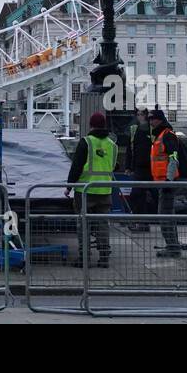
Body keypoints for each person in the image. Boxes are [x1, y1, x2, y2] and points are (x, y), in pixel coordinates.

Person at [66, 111, 117, 267]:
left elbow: (76, 166)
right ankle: (104, 258)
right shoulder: (112, 145)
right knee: (102, 225)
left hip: (85, 190)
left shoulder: (86, 142)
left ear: (90, 125)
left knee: (84, 225)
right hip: (105, 191)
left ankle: (84, 258)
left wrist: (69, 186)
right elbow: (114, 166)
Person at [149, 108, 186, 257]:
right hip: (162, 182)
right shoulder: (160, 135)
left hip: (167, 183)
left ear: (159, 120)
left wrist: (168, 181)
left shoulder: (167, 136)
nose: (150, 121)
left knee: (164, 216)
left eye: (152, 119)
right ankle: (172, 246)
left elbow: (173, 158)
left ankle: (173, 247)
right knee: (167, 215)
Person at [125, 108, 154, 231]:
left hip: (153, 168)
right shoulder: (134, 130)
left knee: (154, 195)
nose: (139, 116)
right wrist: (128, 166)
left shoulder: (153, 129)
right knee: (137, 195)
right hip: (139, 168)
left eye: (141, 114)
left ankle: (145, 222)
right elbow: (129, 149)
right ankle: (140, 222)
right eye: (137, 114)